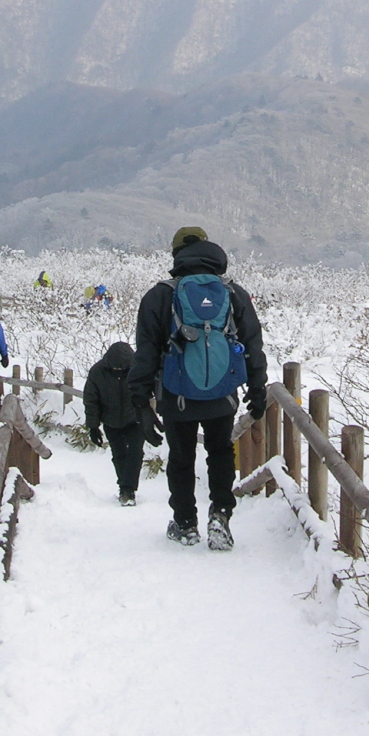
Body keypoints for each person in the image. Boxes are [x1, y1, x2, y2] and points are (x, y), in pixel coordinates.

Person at [128, 226, 267, 551]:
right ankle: (220, 516)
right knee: (220, 453)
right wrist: (257, 387)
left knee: (181, 458)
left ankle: (185, 524)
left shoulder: (160, 295)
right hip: (222, 394)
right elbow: (252, 344)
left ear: (177, 253)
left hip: (177, 396)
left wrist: (140, 402)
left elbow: (145, 354)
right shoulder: (233, 292)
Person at [85, 340, 157, 506]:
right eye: (115, 369)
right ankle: (124, 485)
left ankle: (128, 490)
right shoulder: (97, 372)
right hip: (111, 420)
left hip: (135, 419)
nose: (118, 371)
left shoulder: (139, 370)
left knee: (135, 452)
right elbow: (91, 400)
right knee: (118, 454)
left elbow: (150, 389)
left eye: (121, 369)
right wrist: (93, 426)